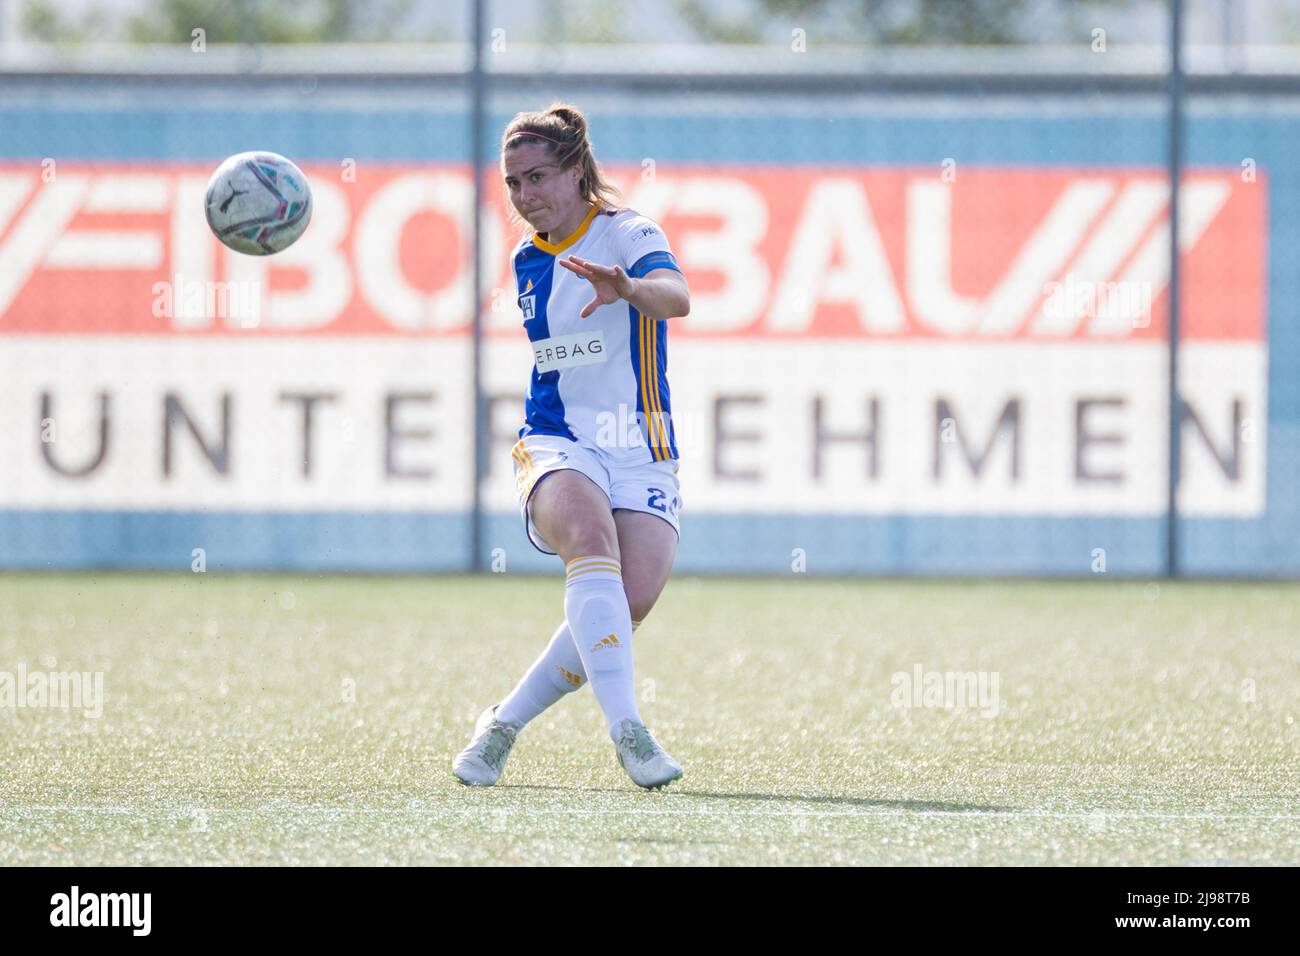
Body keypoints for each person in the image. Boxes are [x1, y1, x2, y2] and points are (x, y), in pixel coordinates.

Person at [452, 101, 690, 790]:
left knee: (628, 600)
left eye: (537, 177)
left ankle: (502, 724)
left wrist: (631, 289)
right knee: (590, 542)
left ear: (577, 171)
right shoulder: (527, 257)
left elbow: (676, 298)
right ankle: (630, 734)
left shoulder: (627, 232)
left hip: (641, 449)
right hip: (556, 442)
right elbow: (566, 362)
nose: (525, 196)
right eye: (513, 183)